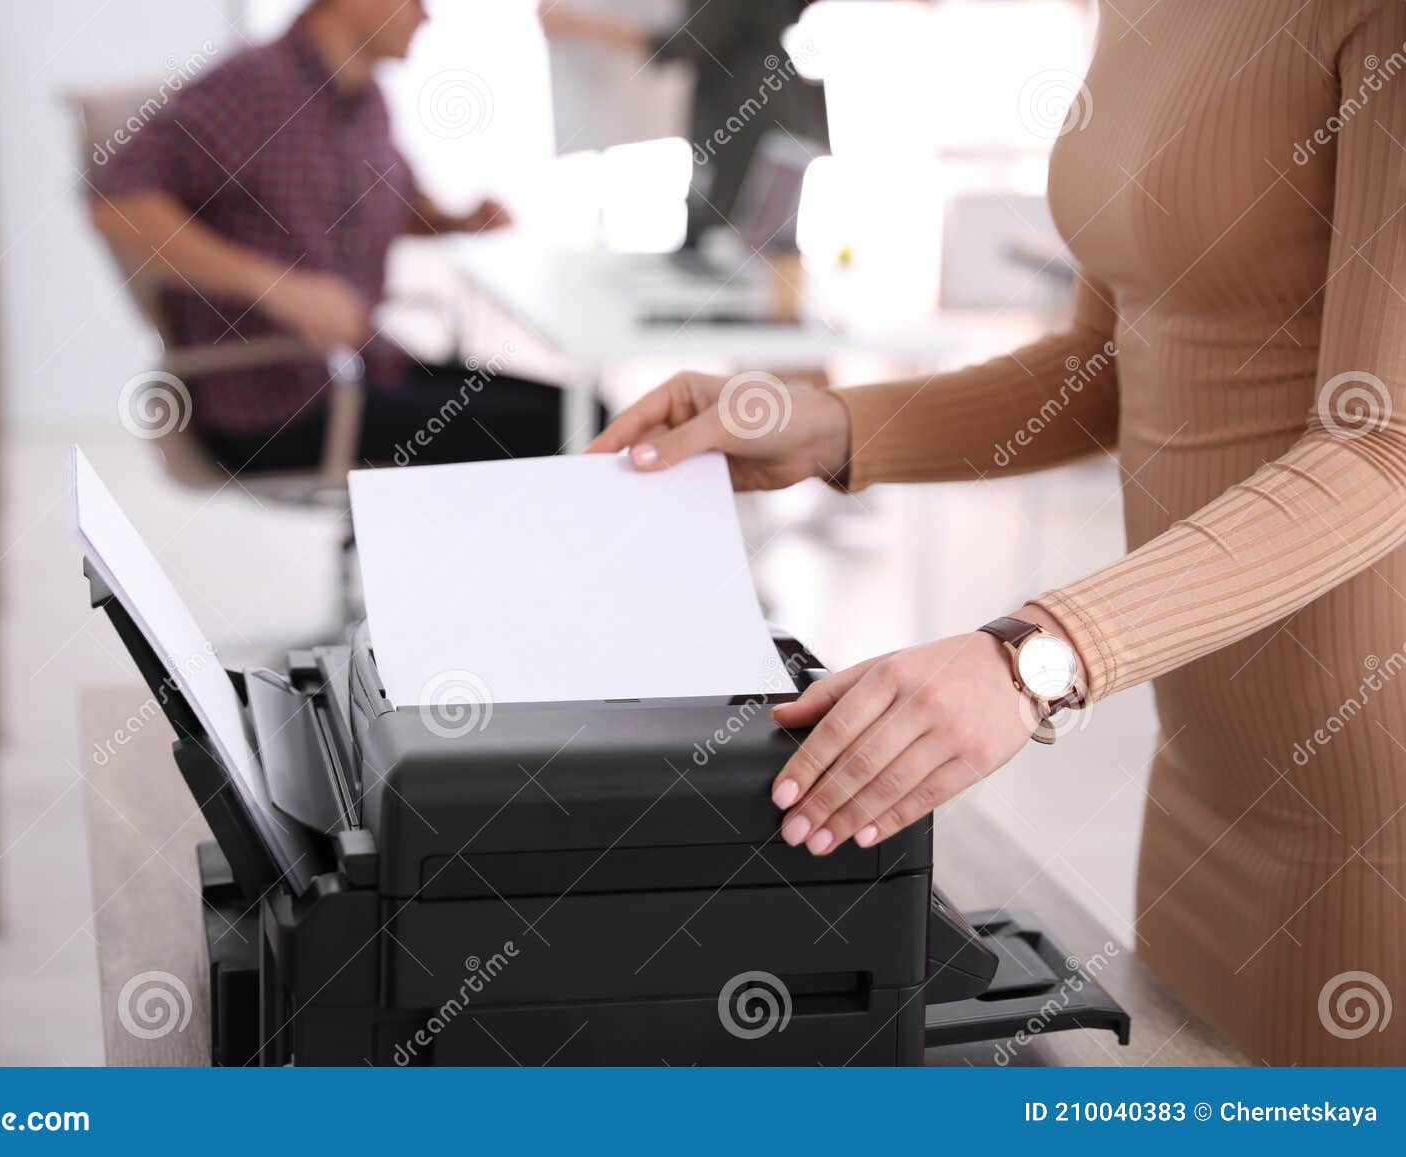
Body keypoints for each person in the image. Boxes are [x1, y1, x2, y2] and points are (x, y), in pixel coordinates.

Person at [589, 0, 1406, 1065]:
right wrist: (834, 426)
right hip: (1207, 752)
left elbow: (1382, 443)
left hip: (1366, 775)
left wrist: (1034, 655)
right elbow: (1104, 365)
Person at [89, 0, 571, 473]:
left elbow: (396, 208)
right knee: (570, 430)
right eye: (414, 2)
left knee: (580, 410)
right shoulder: (253, 85)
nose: (426, 16)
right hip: (275, 409)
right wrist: (276, 286)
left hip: (364, 371)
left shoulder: (368, 101)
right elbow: (119, 205)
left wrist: (461, 221)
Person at [541, 1, 826, 238]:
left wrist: (581, 26)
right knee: (743, 234)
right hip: (766, 100)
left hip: (748, 106)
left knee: (733, 235)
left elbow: (686, 44)